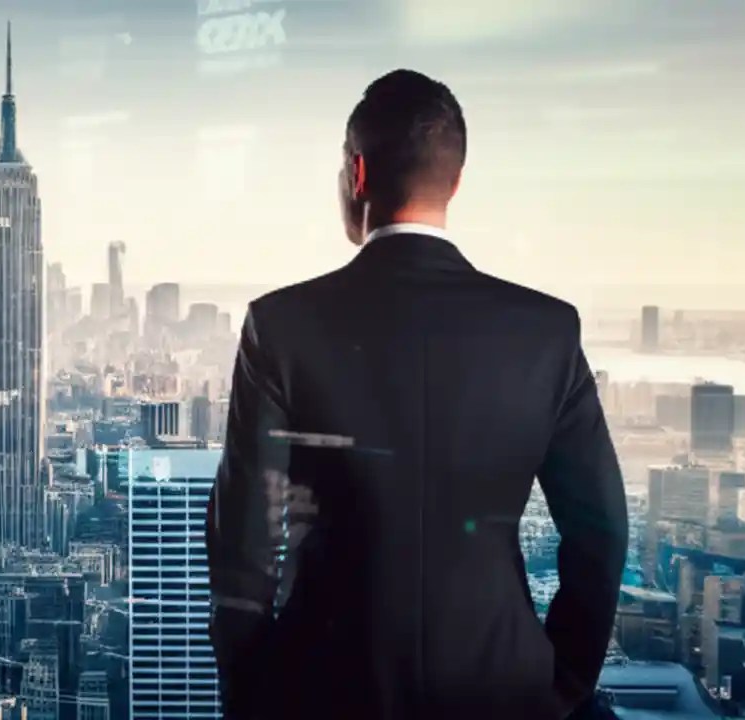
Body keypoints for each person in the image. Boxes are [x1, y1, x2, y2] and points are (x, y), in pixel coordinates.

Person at [205, 69, 628, 719]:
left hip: (323, 692)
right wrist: (563, 681)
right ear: (456, 182)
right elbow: (600, 530)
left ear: (357, 175)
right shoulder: (546, 330)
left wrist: (255, 697)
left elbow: (242, 552)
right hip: (503, 690)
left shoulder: (281, 326)